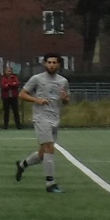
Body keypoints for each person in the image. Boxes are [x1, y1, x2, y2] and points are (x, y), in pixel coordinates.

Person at [15, 54, 70, 193]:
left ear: (59, 65)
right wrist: (37, 100)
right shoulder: (37, 79)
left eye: (54, 62)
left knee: (42, 154)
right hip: (41, 118)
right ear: (45, 64)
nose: (51, 65)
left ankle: (22, 165)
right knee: (50, 148)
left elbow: (66, 100)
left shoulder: (63, 81)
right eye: (49, 62)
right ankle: (50, 183)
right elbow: (22, 94)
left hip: (54, 118)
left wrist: (65, 98)